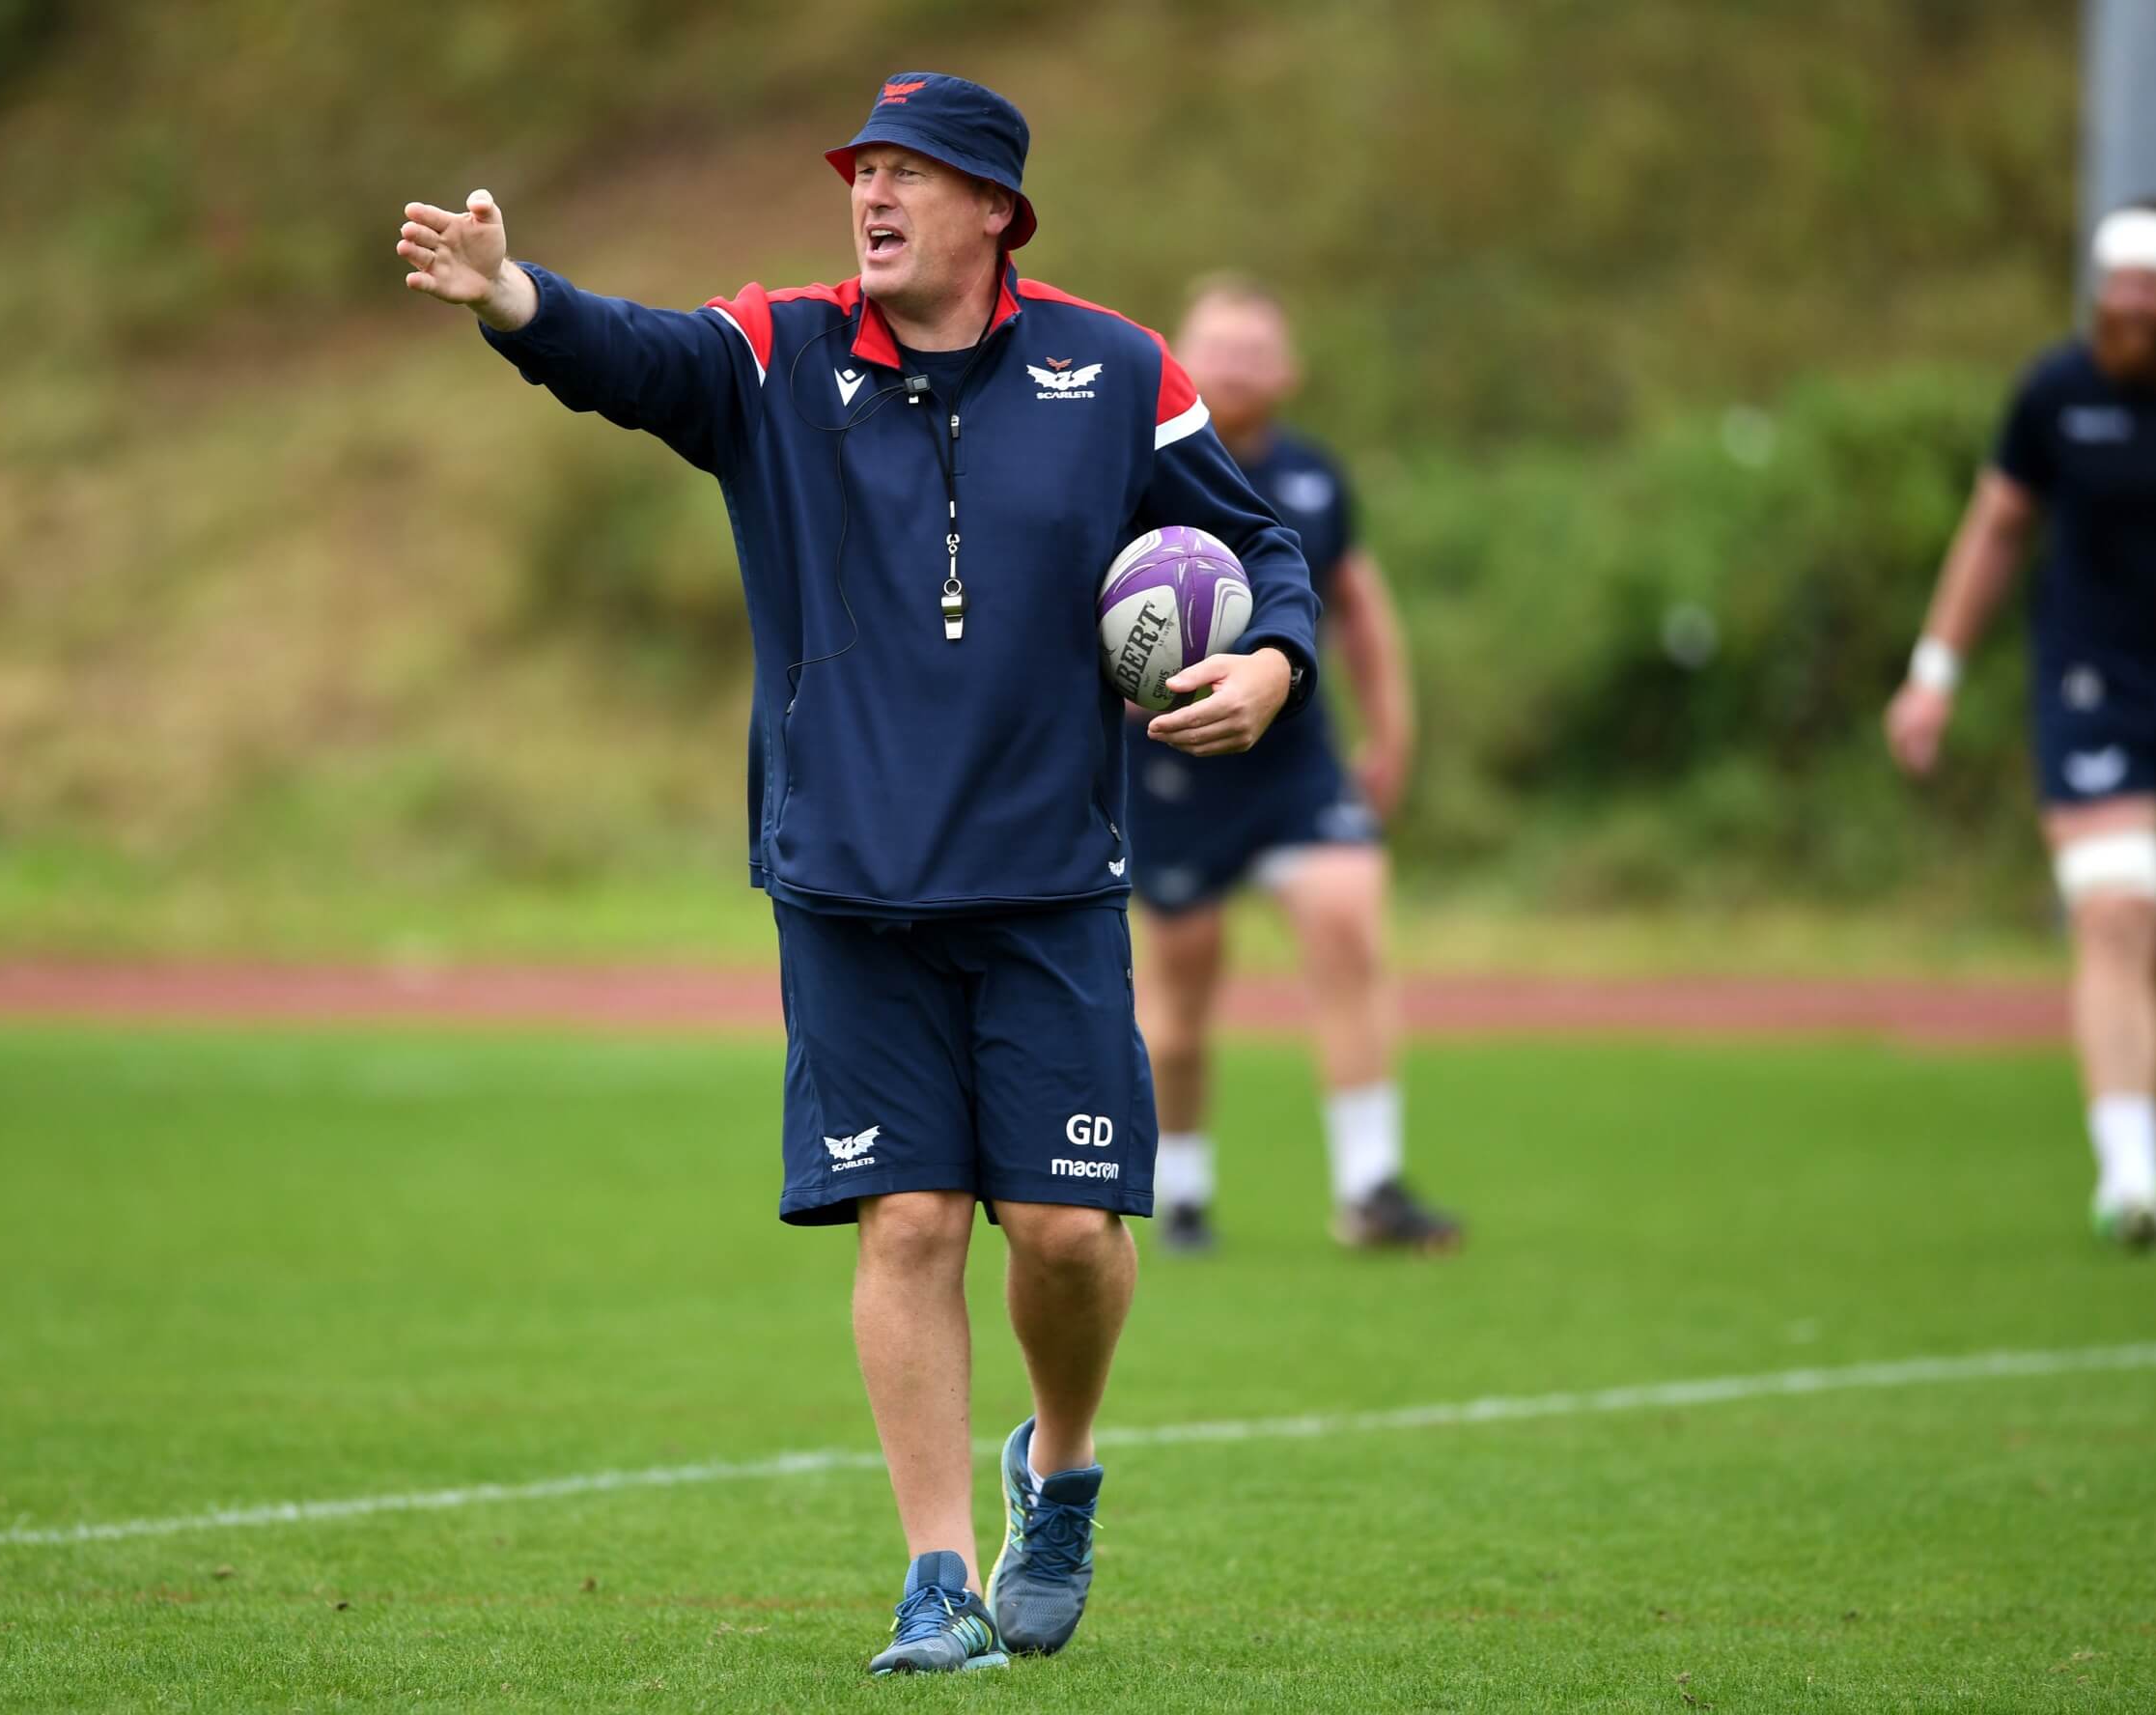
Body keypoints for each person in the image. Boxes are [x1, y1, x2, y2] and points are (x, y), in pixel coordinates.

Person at [395, 73, 1320, 1673]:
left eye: (907, 174)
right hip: (847, 875)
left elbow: (1264, 547)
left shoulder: (1115, 372)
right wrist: (513, 297)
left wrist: (1276, 666)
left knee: (1068, 1237)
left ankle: (1062, 1462)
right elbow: (636, 358)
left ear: (992, 211)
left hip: (1045, 879)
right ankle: (936, 1578)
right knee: (908, 1222)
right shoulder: (782, 350)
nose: (871, 197)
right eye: (860, 173)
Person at [1887, 197, 2156, 1251]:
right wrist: (1935, 673)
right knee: (2113, 912)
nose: (2126, 303)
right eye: (2114, 282)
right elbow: (1995, 531)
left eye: (2150, 285)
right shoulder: (2055, 395)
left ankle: (2143, 1146)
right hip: (2092, 683)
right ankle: (2124, 1175)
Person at [1125, 276, 1459, 1254]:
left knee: (1349, 920)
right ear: (1178, 352)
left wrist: (1392, 733)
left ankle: (1371, 1188)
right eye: (1218, 348)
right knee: (1180, 997)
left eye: (1255, 349)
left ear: (1291, 370)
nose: (1236, 366)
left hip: (1294, 763)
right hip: (1172, 762)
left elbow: (1358, 603)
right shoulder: (1131, 466)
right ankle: (1178, 1194)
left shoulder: (1314, 480)